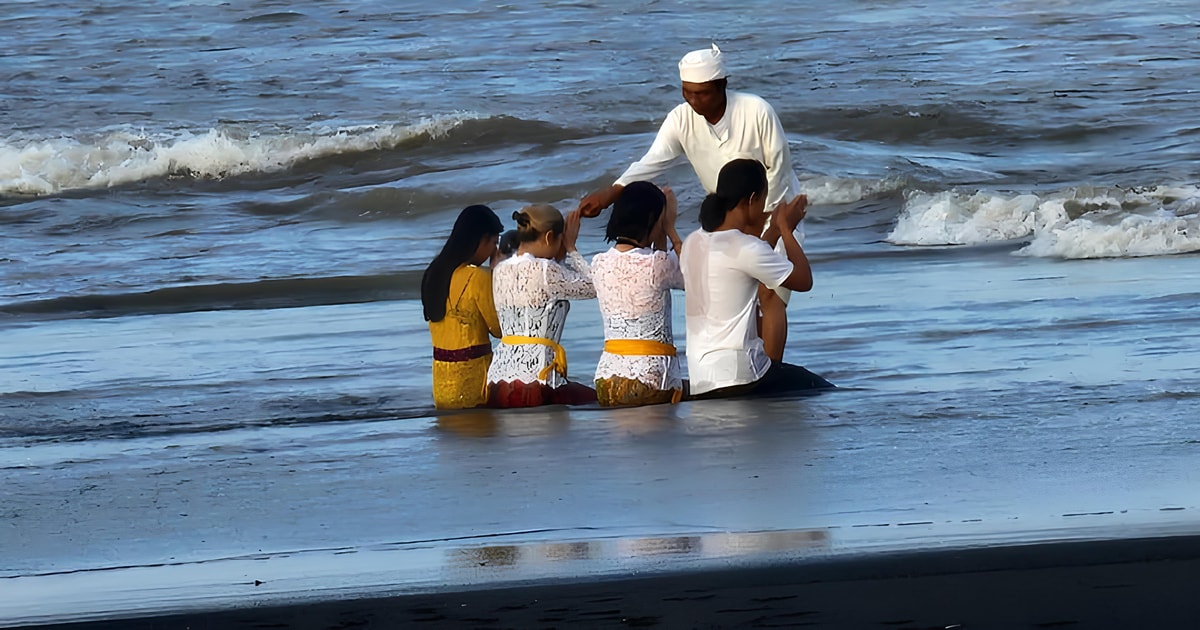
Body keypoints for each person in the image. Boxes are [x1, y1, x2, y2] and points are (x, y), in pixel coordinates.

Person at [576, 43, 803, 360]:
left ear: (722, 86)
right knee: (740, 296)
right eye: (687, 92)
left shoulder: (756, 110)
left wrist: (769, 226)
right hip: (725, 222)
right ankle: (751, 363)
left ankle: (773, 369)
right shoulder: (680, 119)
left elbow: (779, 168)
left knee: (770, 294)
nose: (694, 101)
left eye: (703, 93)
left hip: (773, 210)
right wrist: (611, 192)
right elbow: (653, 161)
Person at [680, 158, 833, 399]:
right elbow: (804, 281)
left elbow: (746, 261)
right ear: (751, 200)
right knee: (823, 390)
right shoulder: (745, 246)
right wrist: (785, 229)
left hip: (702, 378)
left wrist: (772, 231)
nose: (763, 209)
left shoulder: (693, 243)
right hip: (742, 376)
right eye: (762, 201)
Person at [487, 204, 598, 407]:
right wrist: (572, 249)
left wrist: (560, 254)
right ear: (549, 237)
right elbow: (596, 287)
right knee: (597, 401)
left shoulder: (500, 269)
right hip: (536, 382)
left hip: (497, 379)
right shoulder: (547, 271)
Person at [591, 181, 685, 407]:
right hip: (651, 381)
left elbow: (657, 264)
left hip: (606, 380)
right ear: (654, 219)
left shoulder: (599, 262)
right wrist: (671, 228)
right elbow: (693, 278)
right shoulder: (657, 265)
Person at [421, 205, 505, 409]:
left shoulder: (433, 273)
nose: (493, 250)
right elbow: (499, 329)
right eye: (493, 243)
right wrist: (498, 275)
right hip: (473, 382)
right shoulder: (478, 276)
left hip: (441, 385)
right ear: (481, 239)